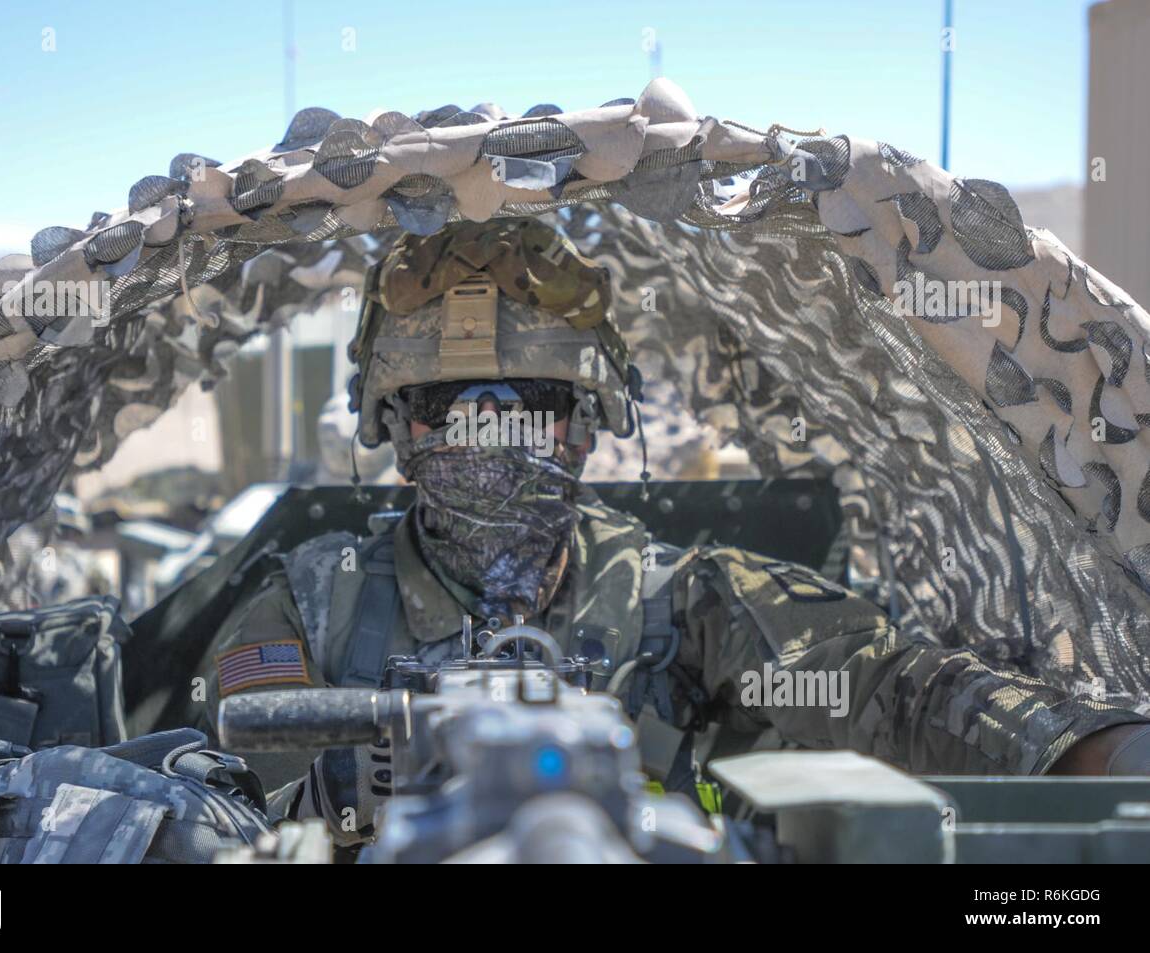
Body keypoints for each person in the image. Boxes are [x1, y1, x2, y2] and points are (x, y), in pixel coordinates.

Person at [199, 218, 1150, 845]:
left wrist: (1098, 756)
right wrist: (329, 797)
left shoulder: (683, 597)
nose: (490, 435)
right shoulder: (313, 601)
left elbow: (897, 691)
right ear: (398, 430)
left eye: (528, 403)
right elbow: (234, 789)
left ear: (581, 425)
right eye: (447, 407)